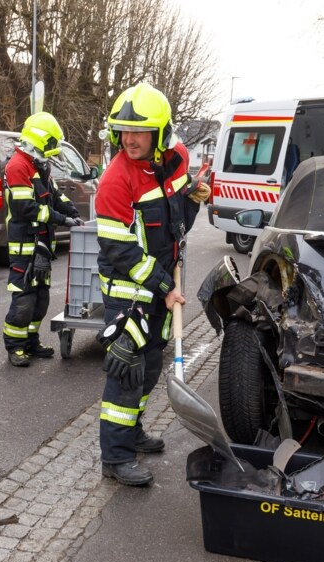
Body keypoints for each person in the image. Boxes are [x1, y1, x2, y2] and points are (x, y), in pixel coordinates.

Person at [93, 83, 210, 486]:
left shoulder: (174, 162)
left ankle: (134, 432)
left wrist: (193, 199)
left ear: (160, 134)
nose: (129, 139)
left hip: (161, 288)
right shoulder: (114, 182)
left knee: (150, 368)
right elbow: (119, 251)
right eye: (123, 131)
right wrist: (165, 286)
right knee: (125, 373)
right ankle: (116, 457)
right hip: (130, 293)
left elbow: (176, 225)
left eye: (139, 131)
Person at [1, 112, 84, 367]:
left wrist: (73, 213)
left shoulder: (40, 166)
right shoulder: (18, 166)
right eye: (50, 143)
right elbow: (26, 208)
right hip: (24, 245)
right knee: (24, 300)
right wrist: (62, 219)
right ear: (39, 140)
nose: (53, 149)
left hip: (42, 245)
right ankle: (15, 347)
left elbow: (56, 197)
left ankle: (30, 341)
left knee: (41, 299)